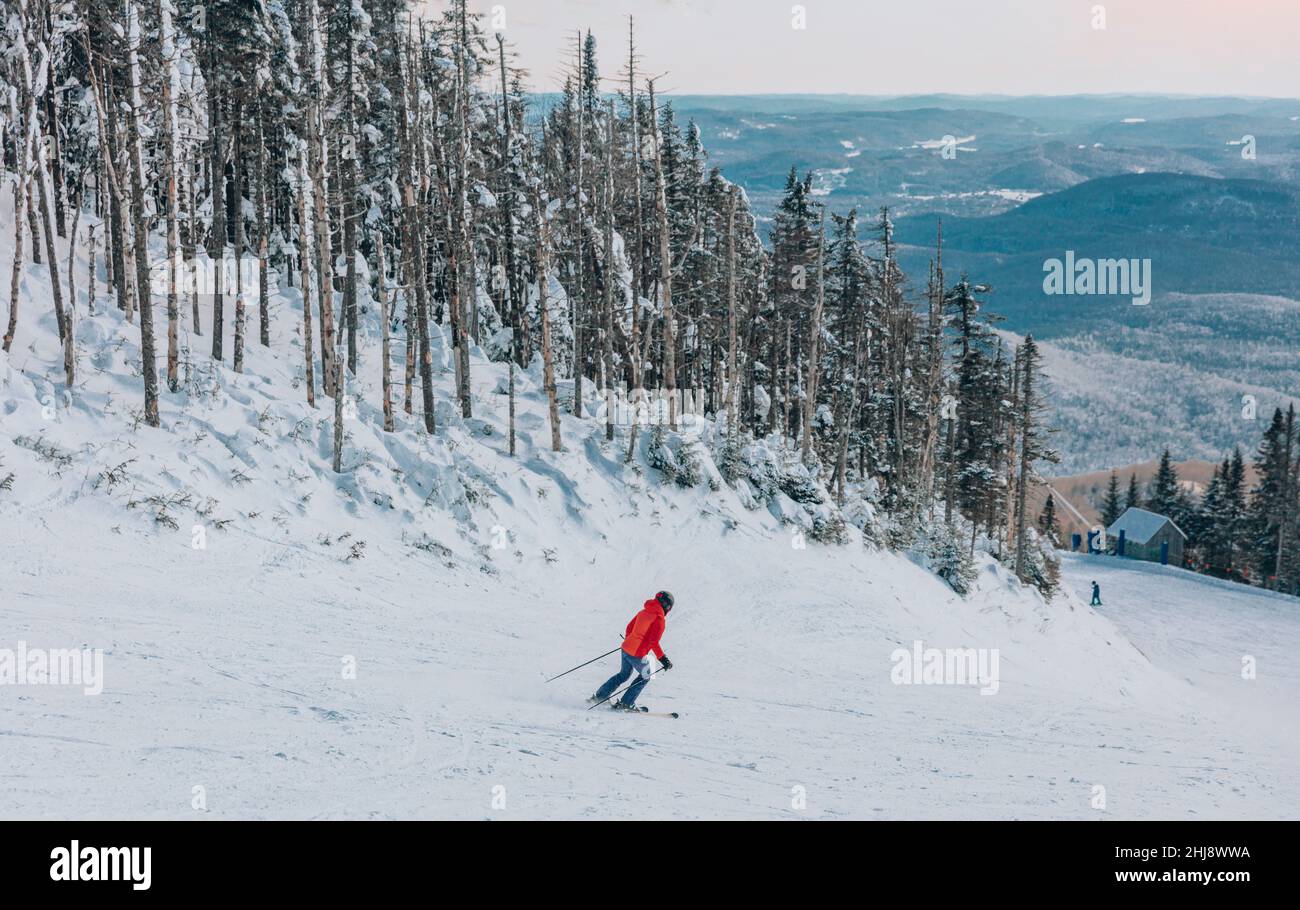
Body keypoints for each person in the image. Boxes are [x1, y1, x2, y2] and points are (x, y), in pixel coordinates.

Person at [590, 591, 674, 711]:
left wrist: (630, 641)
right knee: (647, 674)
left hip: (625, 648)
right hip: (636, 653)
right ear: (667, 606)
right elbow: (653, 642)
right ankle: (626, 703)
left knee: (623, 675)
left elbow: (629, 627)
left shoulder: (643, 611)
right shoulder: (659, 619)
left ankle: (600, 696)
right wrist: (664, 660)